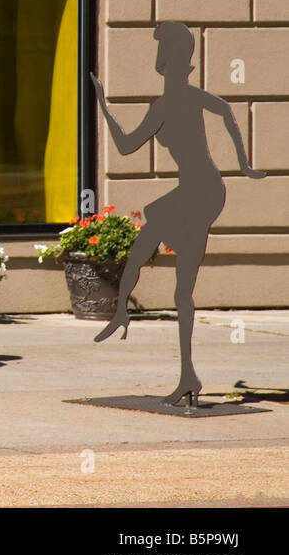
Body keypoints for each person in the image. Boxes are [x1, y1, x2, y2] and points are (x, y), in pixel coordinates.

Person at [89, 22, 264, 406]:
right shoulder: (174, 102)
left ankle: (125, 315)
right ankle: (182, 369)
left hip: (202, 191)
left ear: (172, 58)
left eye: (163, 49)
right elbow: (225, 113)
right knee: (167, 269)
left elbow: (126, 145)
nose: (158, 56)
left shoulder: (171, 103)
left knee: (168, 265)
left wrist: (245, 165)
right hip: (198, 190)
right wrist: (104, 106)